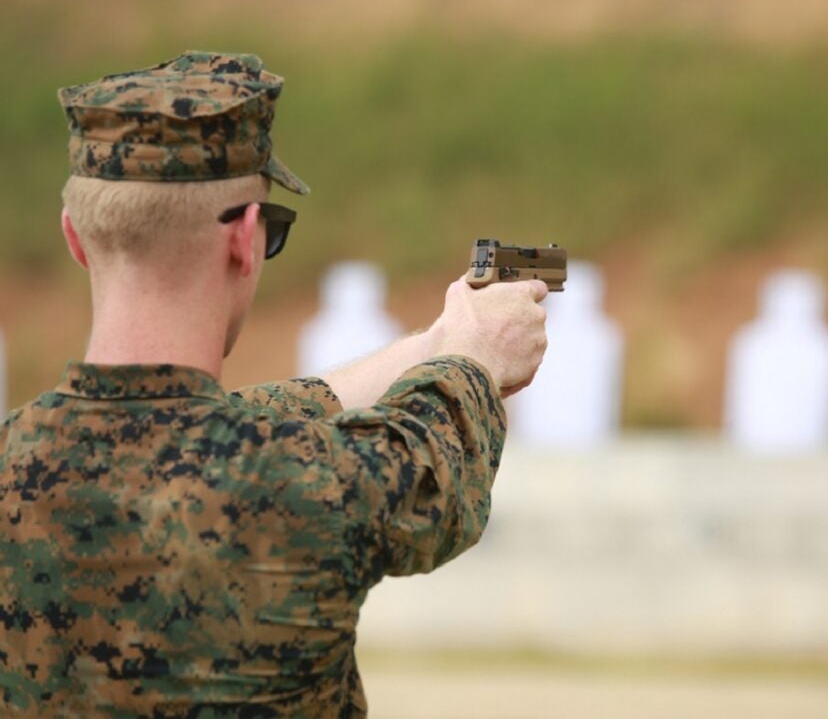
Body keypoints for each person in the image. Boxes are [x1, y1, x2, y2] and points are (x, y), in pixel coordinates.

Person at [0, 51, 548, 717]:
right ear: (246, 240)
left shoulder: (13, 459)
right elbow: (425, 467)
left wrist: (436, 344)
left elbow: (213, 425)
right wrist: (473, 361)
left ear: (76, 239)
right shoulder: (307, 483)